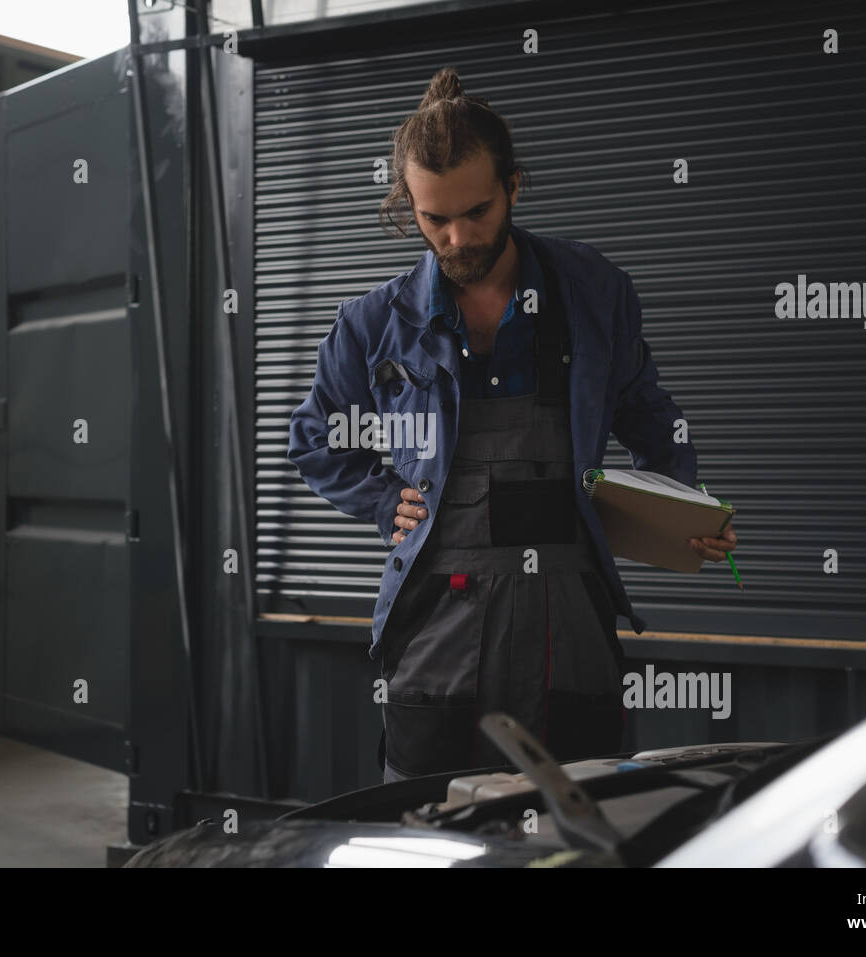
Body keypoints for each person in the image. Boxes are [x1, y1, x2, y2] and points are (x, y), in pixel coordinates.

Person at [287, 67, 737, 784]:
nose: (459, 237)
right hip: (437, 628)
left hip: (571, 627)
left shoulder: (593, 293)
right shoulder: (373, 324)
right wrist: (379, 500)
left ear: (515, 187)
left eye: (478, 211)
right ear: (408, 205)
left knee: (581, 820)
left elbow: (651, 415)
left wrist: (684, 506)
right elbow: (314, 438)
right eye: (435, 219)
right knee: (431, 830)